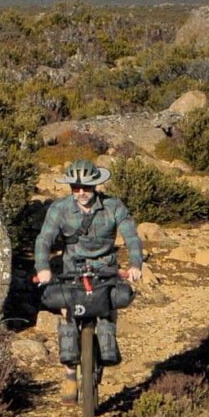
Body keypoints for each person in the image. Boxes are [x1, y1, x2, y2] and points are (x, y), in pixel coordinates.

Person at [33, 159, 146, 399]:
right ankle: (70, 375)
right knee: (67, 314)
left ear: (96, 185)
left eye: (86, 187)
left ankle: (102, 357)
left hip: (105, 268)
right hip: (72, 268)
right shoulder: (59, 209)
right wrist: (43, 268)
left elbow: (132, 237)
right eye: (75, 188)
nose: (81, 192)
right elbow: (44, 240)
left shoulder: (113, 206)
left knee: (109, 308)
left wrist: (135, 264)